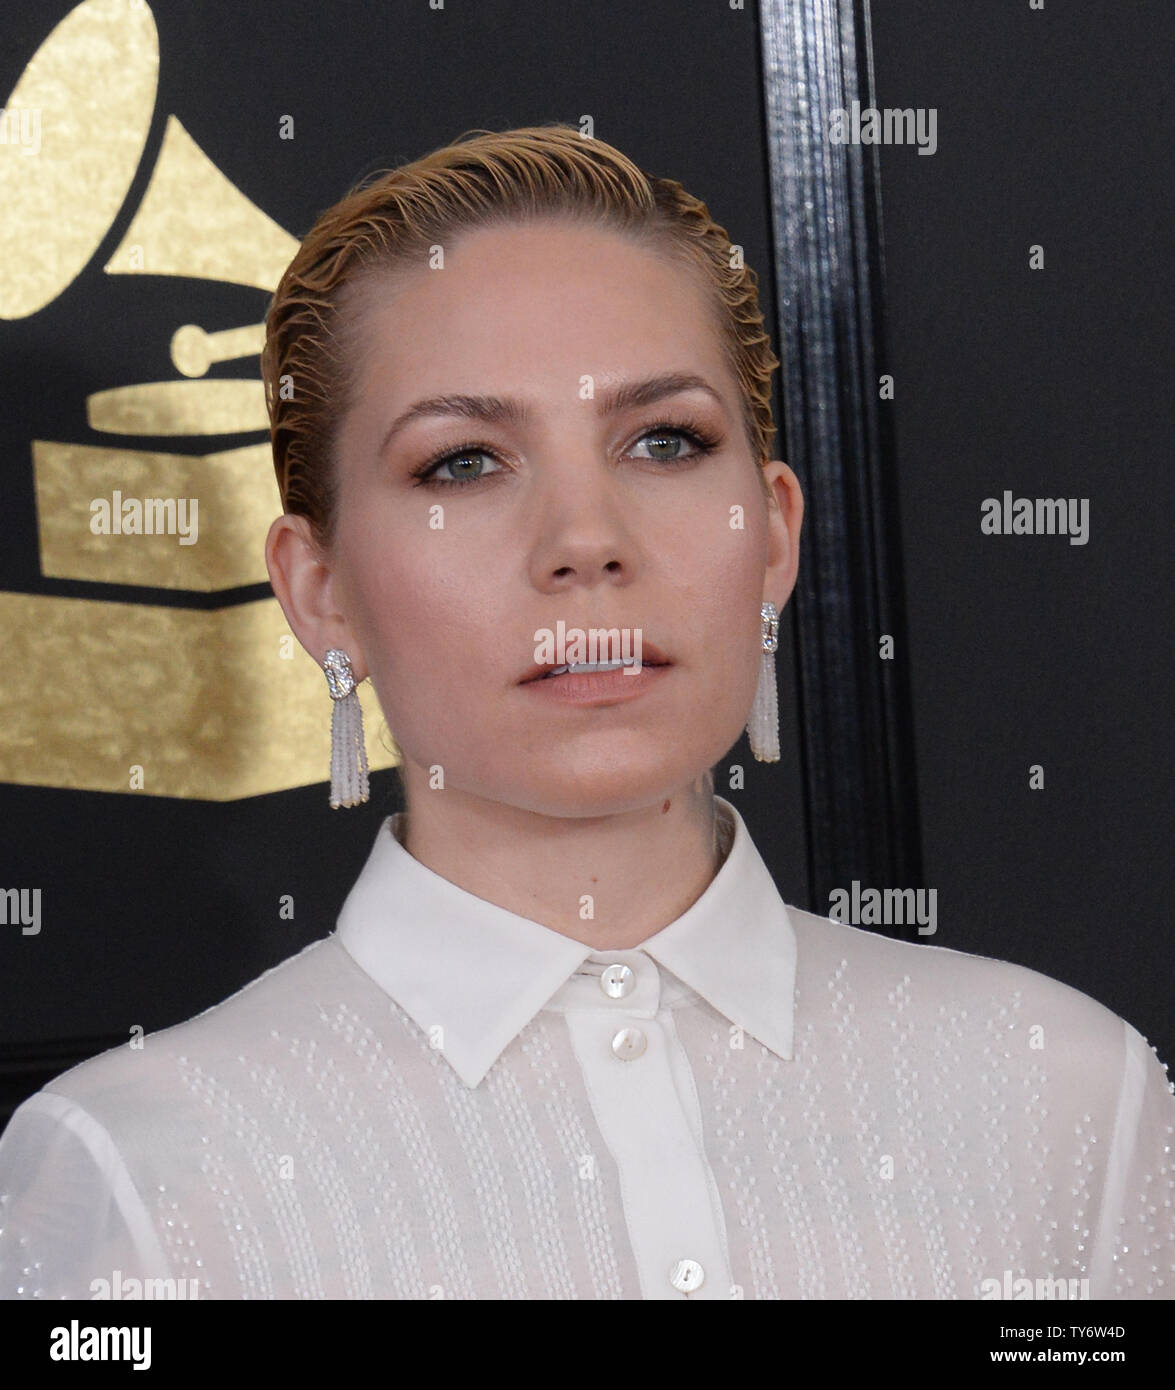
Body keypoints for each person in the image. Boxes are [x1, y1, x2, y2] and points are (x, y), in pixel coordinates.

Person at [1, 124, 1172, 1301]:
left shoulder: (1067, 1093)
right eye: (461, 463)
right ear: (320, 590)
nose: (586, 542)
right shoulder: (135, 1171)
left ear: (769, 535)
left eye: (665, 442)